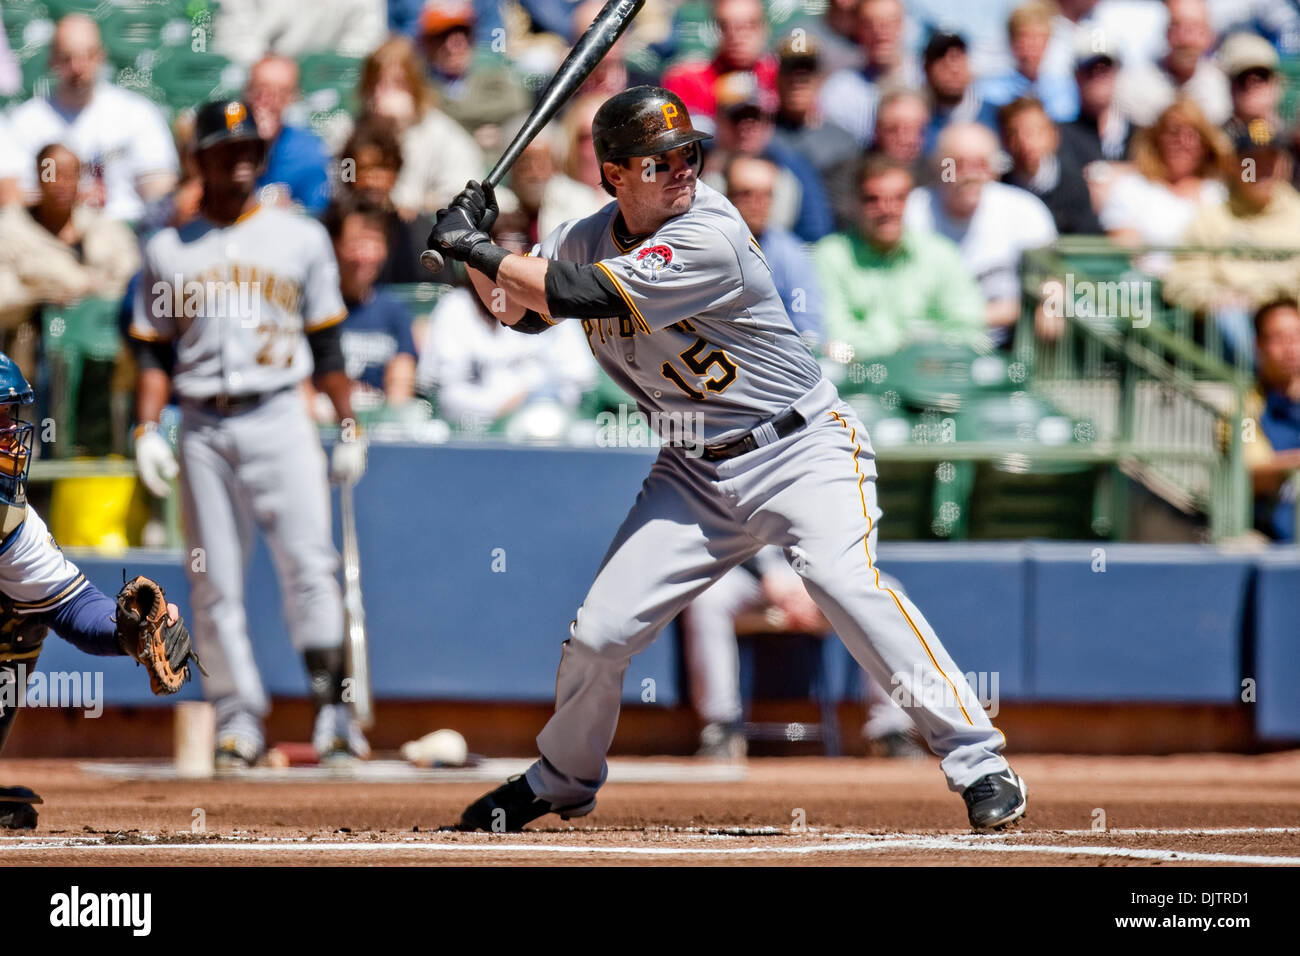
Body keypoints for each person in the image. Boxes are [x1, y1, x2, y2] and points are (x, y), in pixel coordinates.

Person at [426, 86, 1027, 832]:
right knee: (599, 634)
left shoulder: (709, 231)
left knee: (845, 582)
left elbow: (576, 293)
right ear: (615, 174)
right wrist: (472, 252)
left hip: (801, 446)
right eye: (661, 160)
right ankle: (563, 776)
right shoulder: (583, 234)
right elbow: (520, 312)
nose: (683, 167)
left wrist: (479, 248)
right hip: (694, 469)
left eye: (690, 152)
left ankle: (978, 759)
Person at [129, 100, 369, 769]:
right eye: (223, 148)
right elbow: (152, 352)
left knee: (310, 565)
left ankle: (333, 714)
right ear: (198, 158)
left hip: (278, 413)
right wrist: (147, 427)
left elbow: (326, 345)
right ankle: (236, 719)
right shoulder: (166, 248)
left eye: (247, 149)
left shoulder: (300, 237)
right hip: (202, 422)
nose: (238, 158)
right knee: (213, 581)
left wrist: (348, 423)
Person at [0, 354, 195, 829]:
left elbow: (73, 607)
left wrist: (133, 630)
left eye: (9, 420)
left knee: (22, 619)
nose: (10, 437)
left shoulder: (12, 526)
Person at [417, 206, 596, 435]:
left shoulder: (554, 300)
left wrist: (529, 403)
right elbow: (445, 392)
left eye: (519, 244)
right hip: (473, 434)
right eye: (501, 245)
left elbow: (577, 382)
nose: (509, 256)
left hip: (544, 430)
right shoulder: (455, 306)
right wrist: (503, 412)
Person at [6, 14, 178, 223]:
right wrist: (67, 198)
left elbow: (160, 189)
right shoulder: (26, 121)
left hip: (125, 232)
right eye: (67, 57)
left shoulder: (136, 113)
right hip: (52, 235)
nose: (78, 67)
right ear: (52, 60)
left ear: (101, 57)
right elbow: (11, 197)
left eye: (87, 55)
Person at [816, 156, 985, 362]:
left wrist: (925, 352)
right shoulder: (830, 257)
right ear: (855, 204)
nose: (887, 209)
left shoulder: (941, 255)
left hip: (933, 377)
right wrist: (903, 351)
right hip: (858, 383)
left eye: (898, 198)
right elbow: (832, 334)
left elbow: (968, 327)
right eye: (873, 199)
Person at [904, 122, 1057, 346]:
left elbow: (1052, 278)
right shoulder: (912, 211)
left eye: (981, 163)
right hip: (924, 345)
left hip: (1003, 346)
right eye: (958, 164)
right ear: (940, 167)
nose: (971, 174)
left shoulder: (1025, 210)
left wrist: (1049, 306)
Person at [1163, 123, 1300, 362]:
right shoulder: (1210, 218)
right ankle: (1259, 390)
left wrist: (1272, 299)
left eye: (1270, 159)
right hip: (1239, 324)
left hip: (1290, 317)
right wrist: (1213, 298)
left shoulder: (1296, 213)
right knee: (1230, 316)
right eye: (1251, 161)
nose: (1261, 169)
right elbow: (1181, 280)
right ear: (1236, 166)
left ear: (1284, 165)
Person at [0, 145, 139, 363]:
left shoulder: (102, 226)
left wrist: (83, 289)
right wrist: (45, 293)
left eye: (70, 175)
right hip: (33, 352)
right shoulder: (11, 228)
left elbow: (129, 275)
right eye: (52, 175)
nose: (61, 184)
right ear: (38, 177)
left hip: (103, 348)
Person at [357, 36, 486, 221]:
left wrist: (400, 130)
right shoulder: (350, 130)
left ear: (414, 86)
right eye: (376, 83)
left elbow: (464, 197)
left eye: (396, 84)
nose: (381, 94)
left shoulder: (445, 135)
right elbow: (340, 187)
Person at [1099, 99, 1229, 272]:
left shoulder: (1219, 194)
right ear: (1158, 138)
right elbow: (1126, 253)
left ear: (1205, 143)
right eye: (1174, 132)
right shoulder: (1131, 189)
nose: (1183, 142)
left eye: (1193, 134)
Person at [323, 194, 418, 413]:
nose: (366, 255)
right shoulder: (315, 307)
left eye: (374, 243)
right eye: (357, 243)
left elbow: (400, 389)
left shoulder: (394, 310)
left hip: (380, 426)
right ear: (334, 244)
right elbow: (304, 389)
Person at [704, 86, 835, 243]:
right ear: (719, 121)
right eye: (737, 117)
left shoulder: (791, 165)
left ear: (768, 122)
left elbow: (815, 229)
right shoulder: (696, 164)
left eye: (754, 117)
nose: (746, 127)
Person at [724, 155, 824, 346]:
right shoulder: (706, 248)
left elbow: (807, 326)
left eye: (766, 194)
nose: (757, 203)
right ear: (727, 196)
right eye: (746, 193)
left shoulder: (791, 255)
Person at [418, 0, 529, 150]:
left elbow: (519, 102)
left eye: (463, 33)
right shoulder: (420, 78)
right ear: (427, 42)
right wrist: (470, 133)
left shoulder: (490, 63)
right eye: (443, 36)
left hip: (499, 149)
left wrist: (497, 129)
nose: (454, 45)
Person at [337, 114, 433, 285]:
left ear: (396, 173)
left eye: (384, 169)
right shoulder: (331, 229)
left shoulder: (418, 233)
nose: (374, 180)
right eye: (365, 169)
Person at [818, 0, 922, 148]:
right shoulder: (839, 91)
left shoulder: (926, 79)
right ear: (858, 30)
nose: (880, 32)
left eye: (889, 24)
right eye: (870, 25)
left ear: (903, 26)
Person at [662, 0, 779, 128]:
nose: (737, 36)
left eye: (749, 26)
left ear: (764, 29)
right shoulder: (687, 82)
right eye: (725, 26)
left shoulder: (779, 77)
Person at [1115, 0, 1231, 128]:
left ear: (1210, 37)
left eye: (1194, 29)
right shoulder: (1135, 86)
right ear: (1165, 32)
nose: (1185, 40)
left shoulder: (1223, 88)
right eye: (1176, 27)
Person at [998, 97, 1102, 235]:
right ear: (1004, 139)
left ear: (1053, 136)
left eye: (1034, 132)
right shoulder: (1001, 186)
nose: (1025, 142)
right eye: (1014, 133)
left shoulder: (1075, 186)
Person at [245, 56, 332, 215]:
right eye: (260, 89)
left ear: (293, 98)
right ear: (247, 91)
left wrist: (292, 211)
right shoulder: (224, 145)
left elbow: (318, 217)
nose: (267, 100)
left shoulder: (310, 153)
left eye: (280, 93)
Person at [1247, 299, 1300, 542]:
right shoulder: (1245, 411)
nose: (1291, 347)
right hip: (1274, 544)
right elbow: (1252, 469)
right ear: (1259, 344)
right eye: (1278, 337)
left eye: (1296, 335)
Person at [977, 1, 1079, 124]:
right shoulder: (991, 91)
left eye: (1036, 39)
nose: (1030, 47)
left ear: (1048, 42)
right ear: (1011, 42)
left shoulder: (1062, 89)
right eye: (1023, 39)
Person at [922, 30, 999, 154]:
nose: (953, 68)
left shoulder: (996, 116)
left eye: (958, 58)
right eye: (942, 58)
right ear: (926, 68)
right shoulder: (918, 124)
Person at [1219, 32, 1285, 145]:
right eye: (1243, 76)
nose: (1253, 82)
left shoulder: (1292, 142)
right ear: (1230, 85)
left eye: (1261, 75)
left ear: (1274, 82)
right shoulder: (1216, 142)